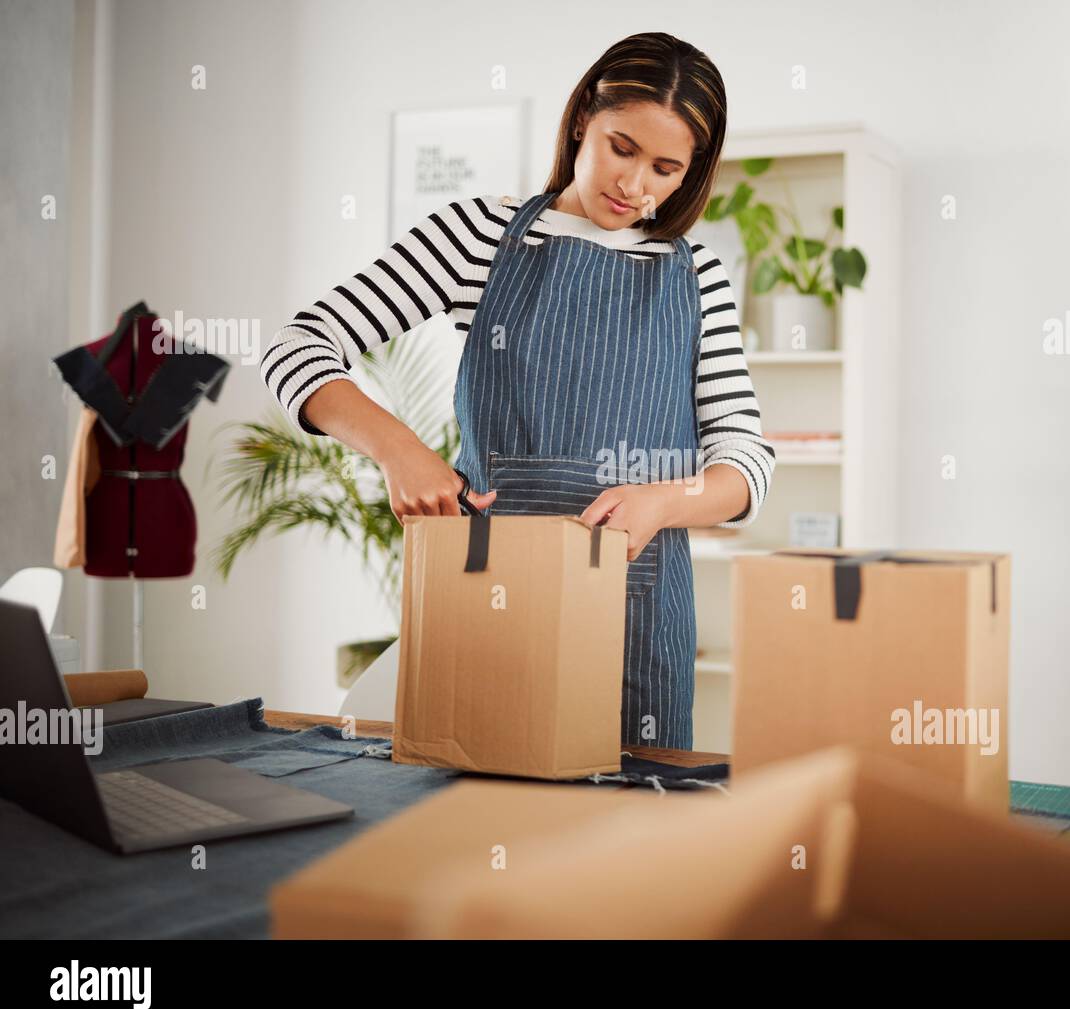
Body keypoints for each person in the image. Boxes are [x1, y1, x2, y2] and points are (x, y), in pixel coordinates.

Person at [261, 32, 775, 750]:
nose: (636, 186)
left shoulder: (699, 277)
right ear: (579, 124)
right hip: (486, 601)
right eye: (621, 149)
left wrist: (664, 501)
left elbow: (746, 462)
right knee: (468, 823)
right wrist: (400, 451)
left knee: (623, 843)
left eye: (665, 169)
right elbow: (297, 346)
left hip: (641, 624)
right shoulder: (477, 235)